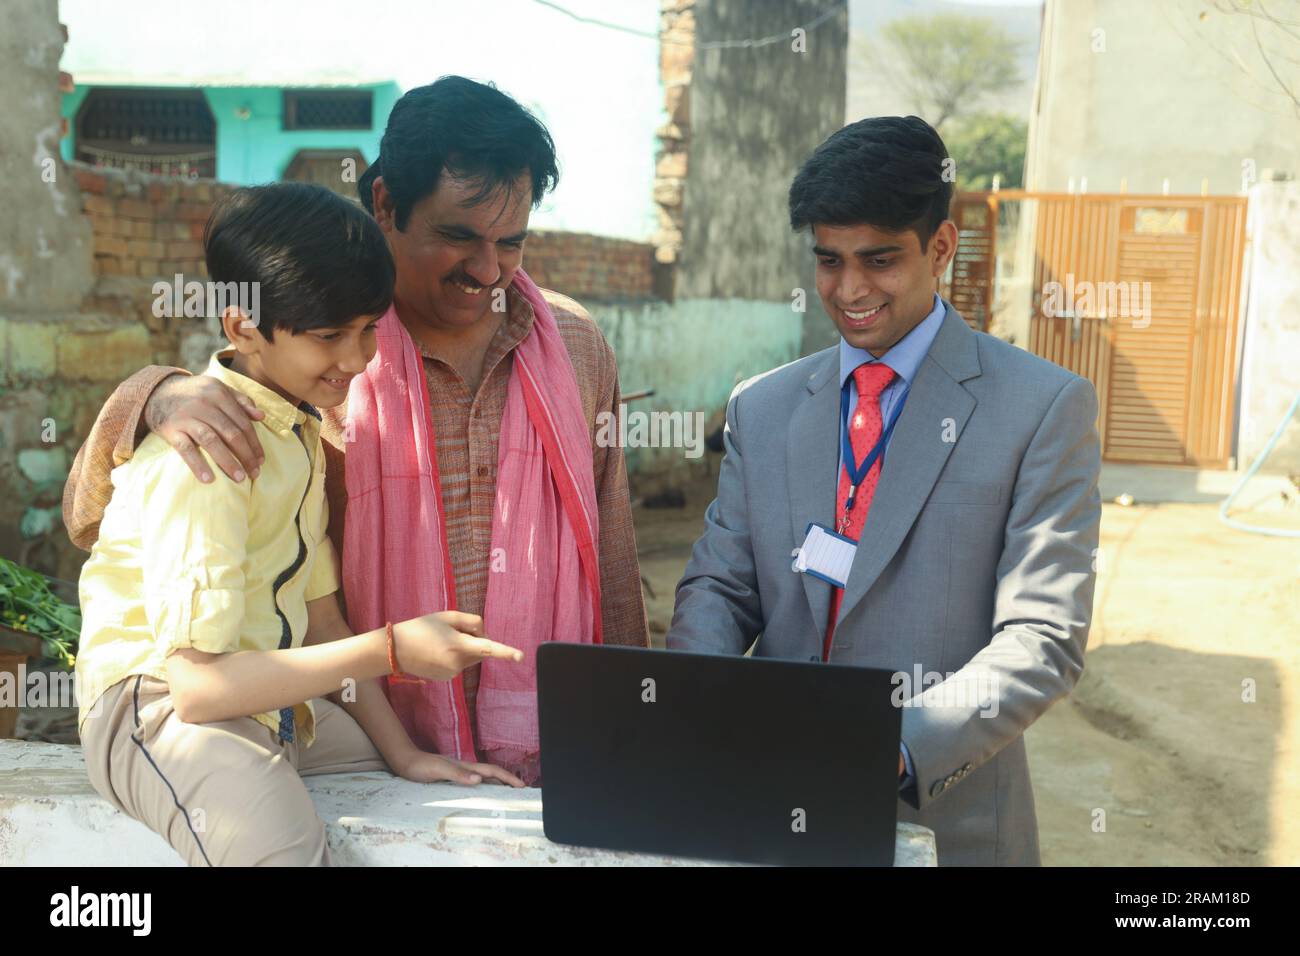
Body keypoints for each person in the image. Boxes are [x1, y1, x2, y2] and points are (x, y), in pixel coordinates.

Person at [63, 77, 649, 787]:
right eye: (458, 236)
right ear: (385, 205)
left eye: (512, 242)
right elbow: (93, 515)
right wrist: (149, 394)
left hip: (551, 742)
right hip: (363, 743)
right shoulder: (317, 358)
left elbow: (611, 556)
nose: (487, 270)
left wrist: (634, 720)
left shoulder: (577, 348)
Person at [666, 116, 1102, 865]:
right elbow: (720, 586)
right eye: (829, 261)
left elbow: (1043, 637)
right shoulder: (761, 408)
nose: (850, 289)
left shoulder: (1040, 407)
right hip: (765, 810)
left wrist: (891, 751)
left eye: (879, 259)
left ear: (940, 247)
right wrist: (707, 714)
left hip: (945, 818)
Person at [75, 183, 528, 866]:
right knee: (285, 852)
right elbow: (198, 687)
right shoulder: (205, 451)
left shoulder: (295, 431)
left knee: (389, 786)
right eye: (328, 336)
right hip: (160, 710)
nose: (356, 361)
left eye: (370, 329)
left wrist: (404, 756)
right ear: (241, 328)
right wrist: (395, 650)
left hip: (270, 709)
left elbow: (321, 619)